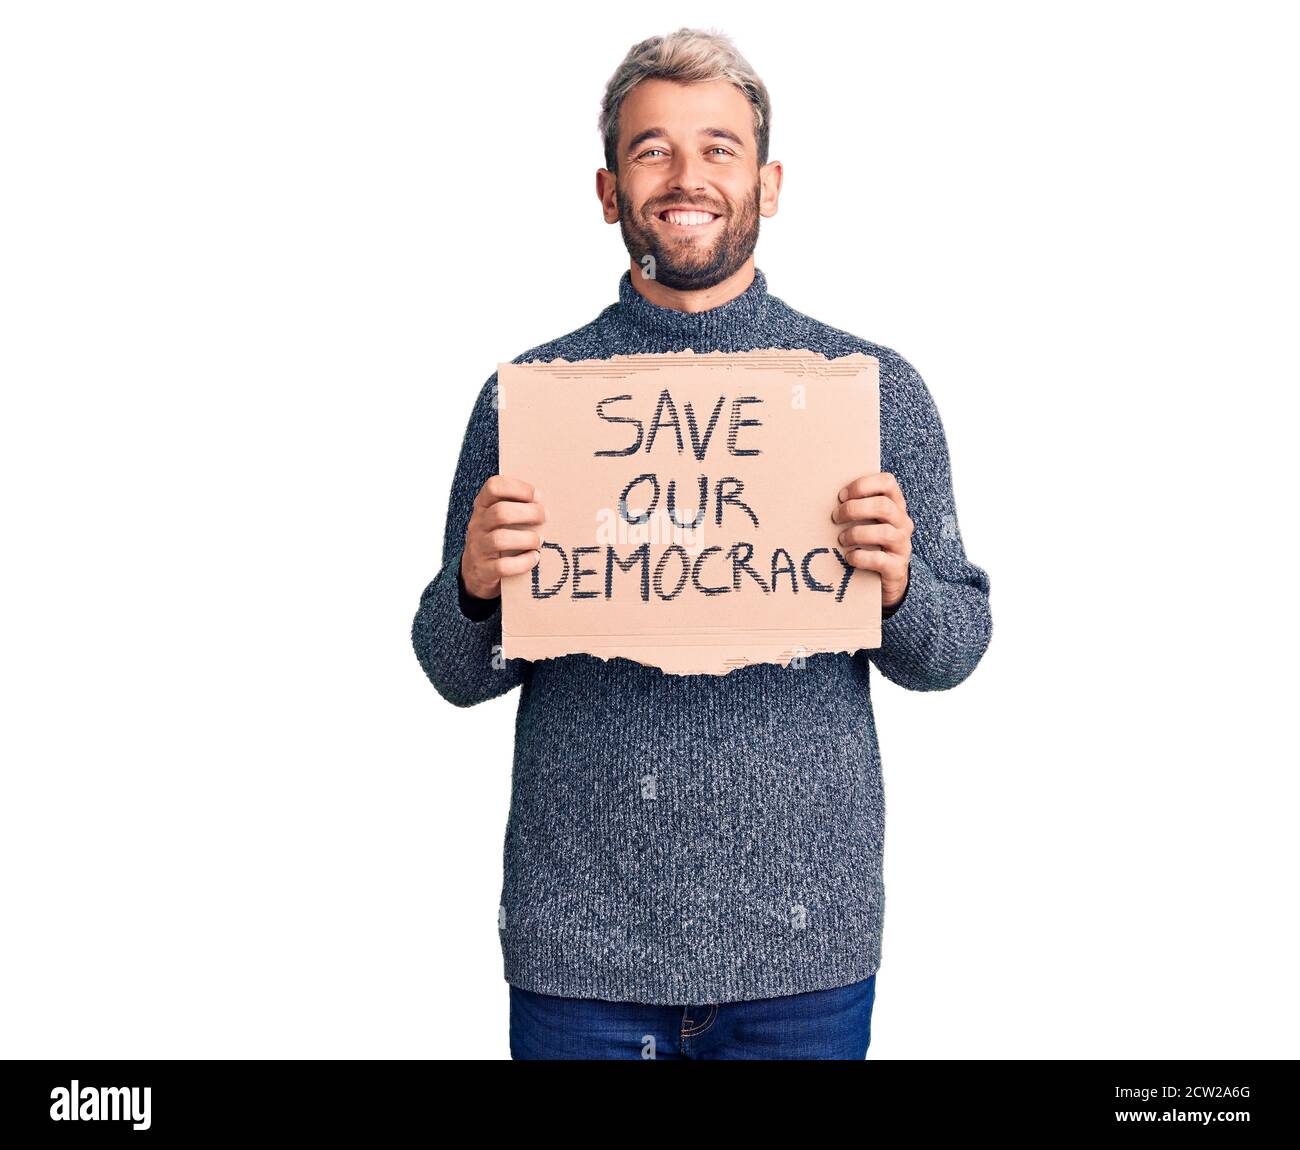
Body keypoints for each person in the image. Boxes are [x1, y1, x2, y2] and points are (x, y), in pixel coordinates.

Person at [411, 27, 993, 1060]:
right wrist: (473, 585)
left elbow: (952, 647)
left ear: (767, 183)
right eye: (651, 150)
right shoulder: (533, 400)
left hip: (801, 955)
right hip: (577, 953)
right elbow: (453, 668)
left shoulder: (866, 390)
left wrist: (899, 586)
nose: (687, 178)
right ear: (606, 189)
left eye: (718, 148)